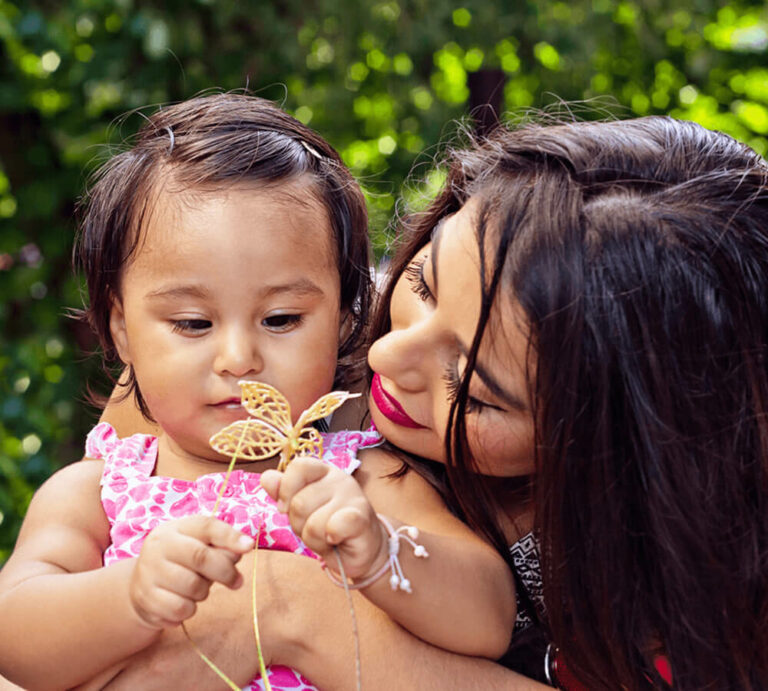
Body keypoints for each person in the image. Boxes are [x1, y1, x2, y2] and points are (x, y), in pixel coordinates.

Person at [78, 114, 768, 691]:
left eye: (477, 390)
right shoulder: (258, 350)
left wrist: (290, 610)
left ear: (607, 445)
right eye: (425, 283)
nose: (384, 356)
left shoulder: (687, 586)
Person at [0, 93, 518, 690]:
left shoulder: (357, 480)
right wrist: (129, 597)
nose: (239, 359)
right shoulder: (99, 490)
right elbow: (16, 638)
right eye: (193, 324)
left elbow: (488, 616)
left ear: (346, 323)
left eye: (281, 320)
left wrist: (382, 552)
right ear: (122, 330)